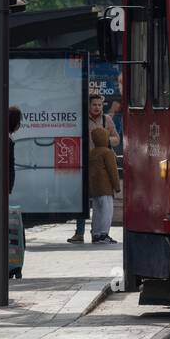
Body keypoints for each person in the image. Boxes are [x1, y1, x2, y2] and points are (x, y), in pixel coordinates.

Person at [71, 94, 120, 243]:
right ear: (89, 105)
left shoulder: (107, 120)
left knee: (102, 201)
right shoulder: (82, 120)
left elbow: (117, 139)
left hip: (102, 166)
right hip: (86, 164)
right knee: (83, 199)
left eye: (99, 105)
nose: (97, 107)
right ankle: (79, 232)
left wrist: (105, 140)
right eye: (94, 105)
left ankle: (98, 232)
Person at [87, 127, 120, 244]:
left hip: (95, 189)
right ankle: (103, 234)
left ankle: (95, 234)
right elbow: (113, 171)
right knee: (107, 211)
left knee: (96, 212)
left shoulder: (92, 153)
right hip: (105, 188)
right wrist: (117, 186)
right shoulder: (107, 152)